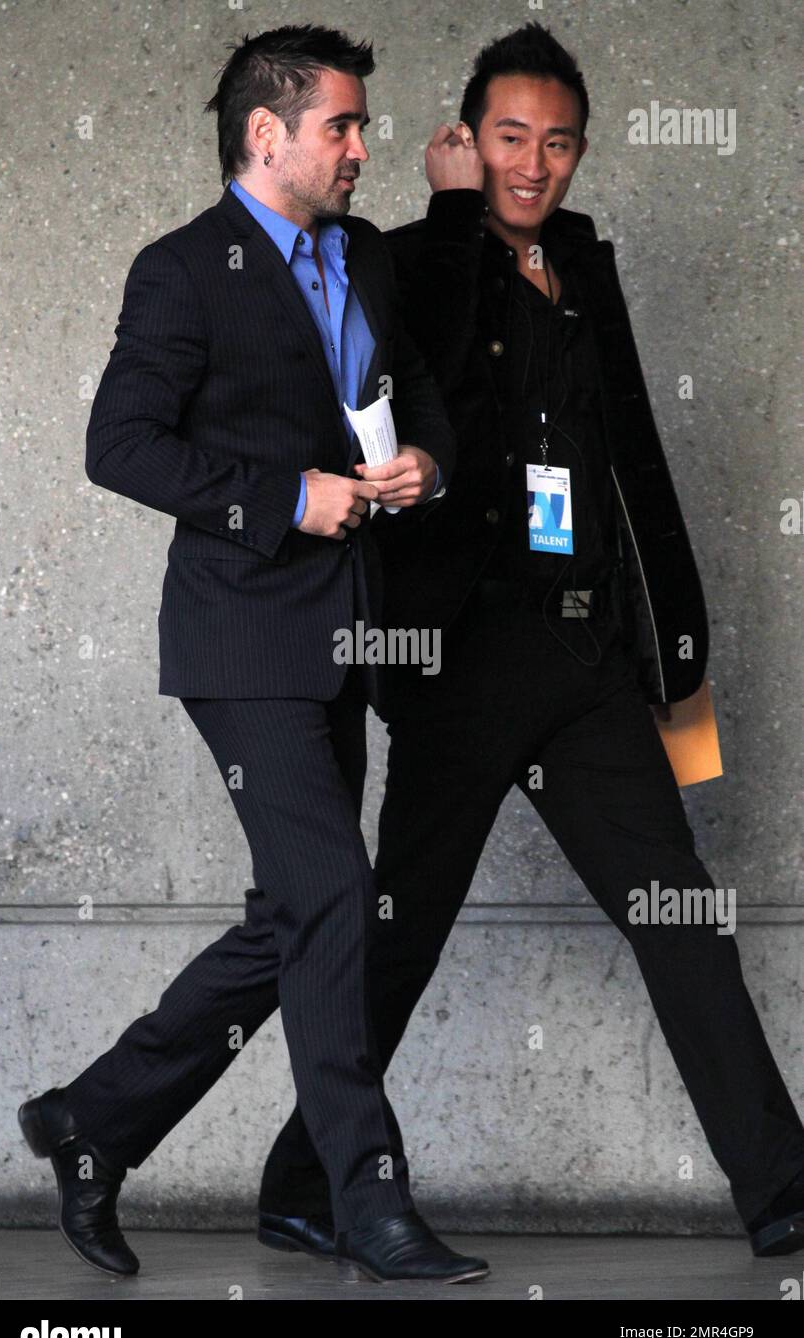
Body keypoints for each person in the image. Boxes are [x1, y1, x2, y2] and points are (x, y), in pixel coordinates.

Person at [257, 22, 804, 1260]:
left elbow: (627, 462)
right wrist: (450, 221)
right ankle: (303, 1178)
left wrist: (672, 639)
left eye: (557, 143)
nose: (533, 164)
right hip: (460, 661)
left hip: (589, 661)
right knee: (399, 930)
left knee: (680, 913)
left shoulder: (584, 270)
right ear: (466, 140)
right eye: (509, 138)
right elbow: (412, 389)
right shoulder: (398, 260)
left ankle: (779, 1183)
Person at [17, 24, 490, 1287]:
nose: (360, 146)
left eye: (360, 125)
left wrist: (424, 464)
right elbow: (120, 445)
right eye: (341, 124)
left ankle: (93, 1122)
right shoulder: (181, 270)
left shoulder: (369, 259)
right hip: (242, 634)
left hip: (349, 633)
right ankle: (368, 1198)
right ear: (265, 133)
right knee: (336, 893)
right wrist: (287, 497)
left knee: (302, 909)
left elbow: (424, 393)